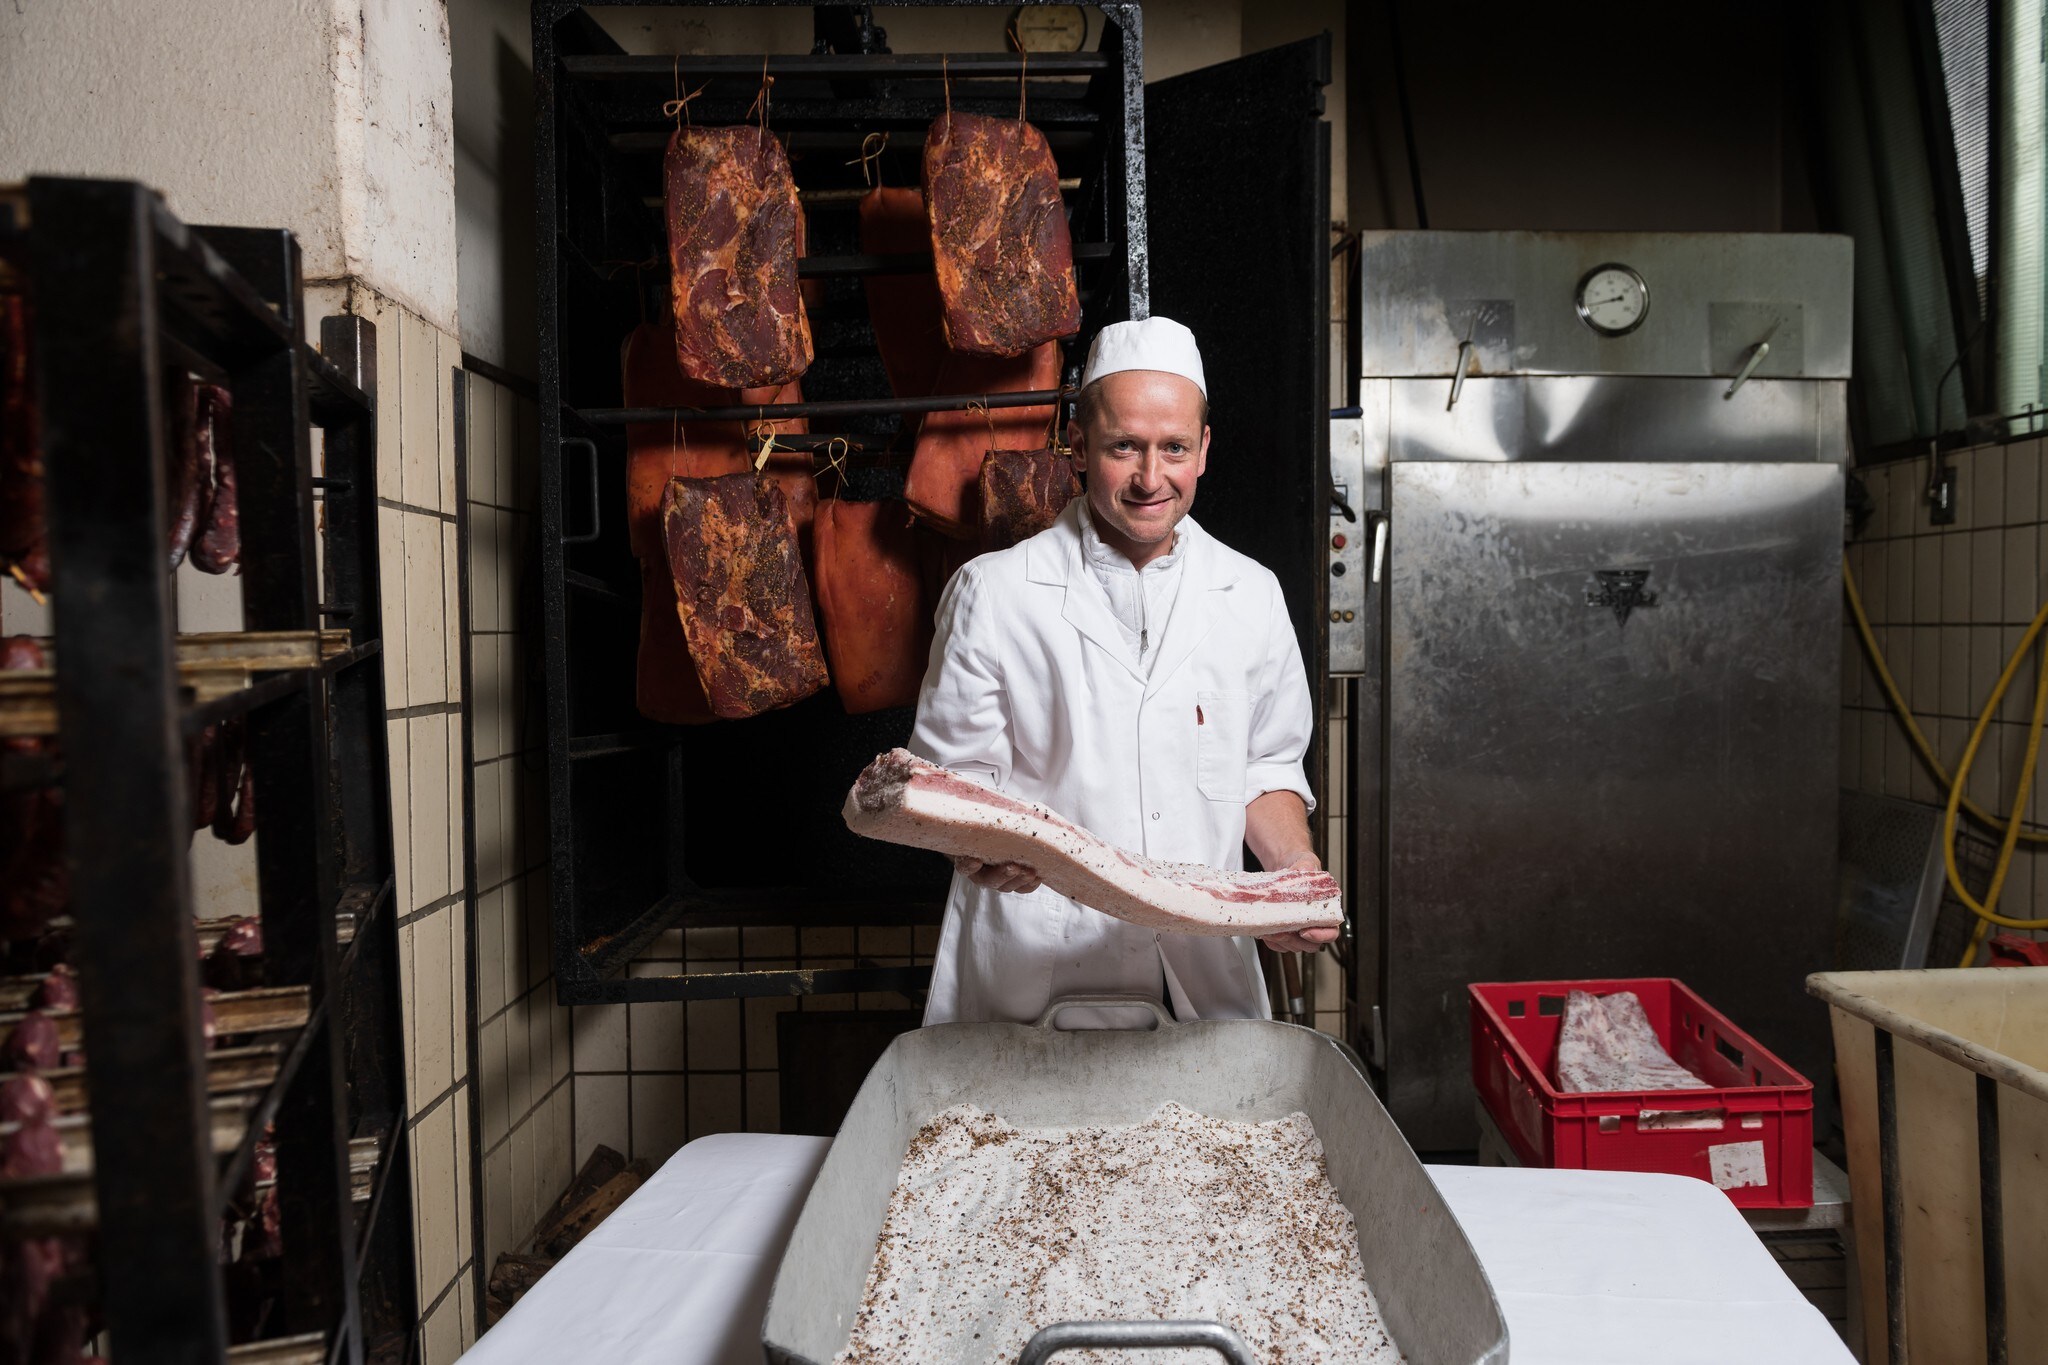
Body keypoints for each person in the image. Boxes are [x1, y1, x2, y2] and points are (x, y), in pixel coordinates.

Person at [907, 316, 1338, 1026]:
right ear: (1077, 447)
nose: (1150, 478)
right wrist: (979, 846)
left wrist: (1291, 870)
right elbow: (955, 787)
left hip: (1202, 968)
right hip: (1034, 969)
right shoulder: (996, 593)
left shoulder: (1250, 593)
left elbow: (1264, 768)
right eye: (1123, 448)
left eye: (1173, 448)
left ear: (1203, 449)